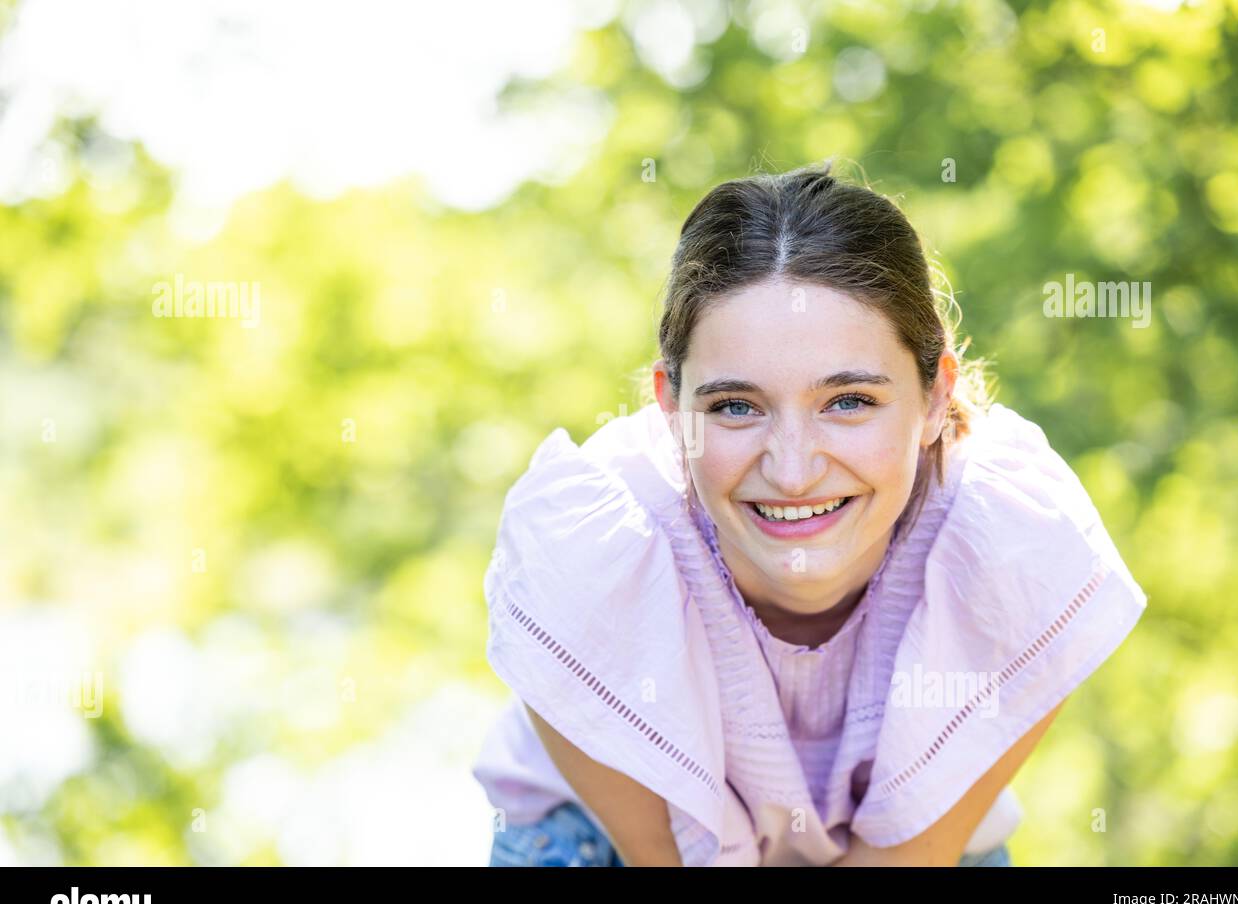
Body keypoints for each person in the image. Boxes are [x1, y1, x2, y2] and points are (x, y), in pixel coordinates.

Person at [472, 161, 1148, 866]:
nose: (792, 471)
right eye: (736, 406)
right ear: (671, 408)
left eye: (849, 401)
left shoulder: (1015, 547)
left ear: (935, 396)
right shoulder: (588, 556)